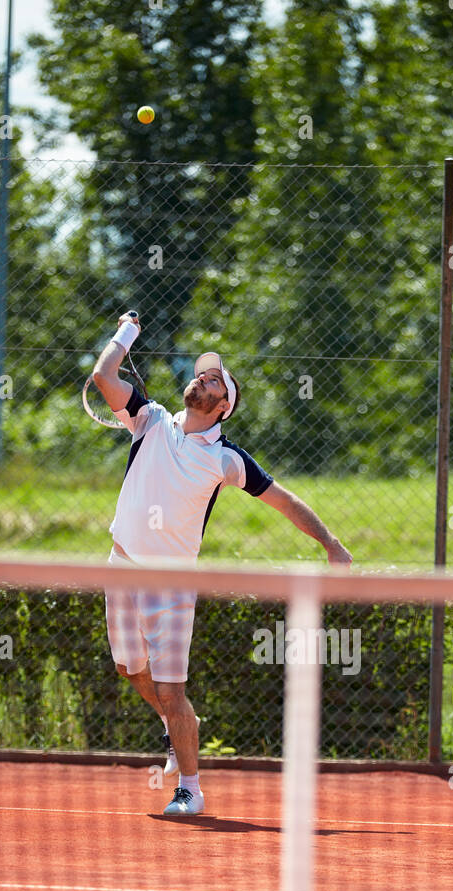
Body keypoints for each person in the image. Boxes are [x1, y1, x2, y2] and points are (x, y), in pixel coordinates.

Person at [92, 312, 353, 815]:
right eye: (200, 373)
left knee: (173, 690)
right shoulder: (148, 418)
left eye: (213, 379)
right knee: (129, 669)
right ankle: (174, 726)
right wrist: (127, 332)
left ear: (224, 405)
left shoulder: (227, 459)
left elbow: (283, 499)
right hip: (119, 564)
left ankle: (189, 787)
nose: (201, 378)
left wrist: (330, 543)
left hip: (172, 587)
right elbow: (104, 377)